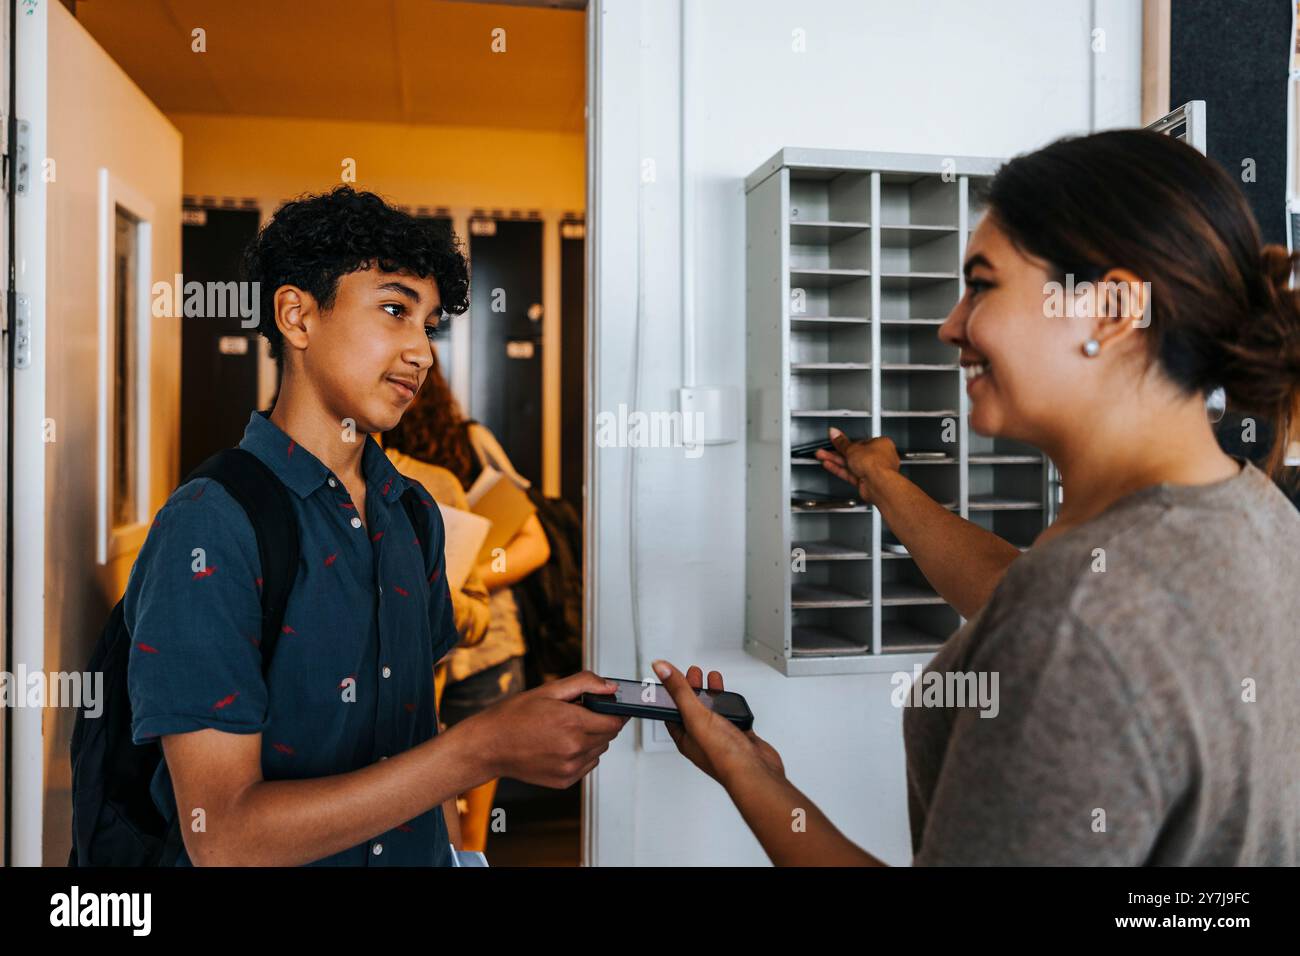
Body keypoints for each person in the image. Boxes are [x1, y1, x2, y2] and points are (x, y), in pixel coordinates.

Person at [657, 129, 1300, 865]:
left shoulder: (1074, 625)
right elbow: (1015, 591)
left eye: (983, 284)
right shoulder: (1259, 519)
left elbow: (1060, 620)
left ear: (1114, 309)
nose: (950, 325)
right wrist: (883, 483)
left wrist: (743, 776)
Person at [124, 185, 626, 866]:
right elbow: (225, 837)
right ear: (297, 317)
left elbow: (417, 737)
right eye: (394, 311)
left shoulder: (414, 512)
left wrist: (456, 854)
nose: (422, 351)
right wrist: (484, 747)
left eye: (429, 324)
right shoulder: (210, 526)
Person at [384, 352, 550, 852]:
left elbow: (533, 543)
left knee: (468, 830)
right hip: (416, 656)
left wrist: (466, 574)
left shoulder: (467, 443)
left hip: (482, 647)